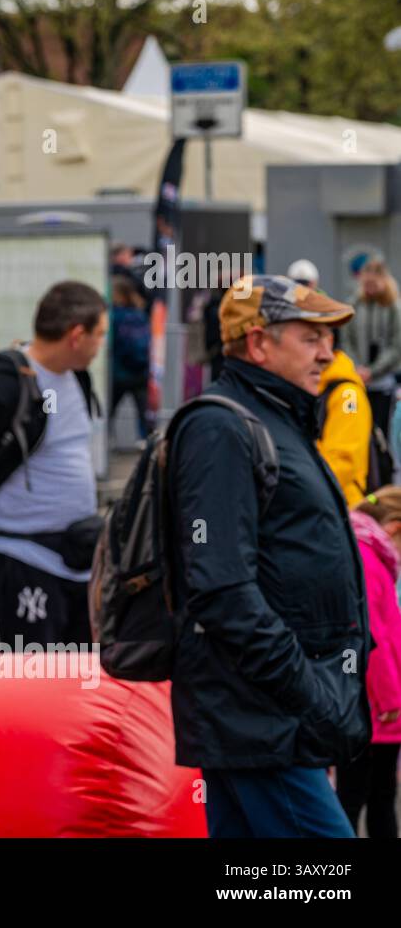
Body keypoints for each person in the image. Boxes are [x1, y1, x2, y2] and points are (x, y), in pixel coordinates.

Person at [169, 274, 369, 838]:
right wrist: (307, 690)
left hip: (271, 718)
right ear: (258, 343)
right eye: (311, 338)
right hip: (264, 719)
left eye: (330, 340)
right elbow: (220, 587)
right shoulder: (221, 427)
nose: (329, 354)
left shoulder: (279, 417)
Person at [0, 281, 107, 646]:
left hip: (75, 555)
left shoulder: (77, 377)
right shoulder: (6, 384)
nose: (101, 345)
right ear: (76, 335)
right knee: (33, 676)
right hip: (20, 555)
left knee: (78, 676)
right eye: (99, 335)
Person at [336, 489, 401, 838]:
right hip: (377, 712)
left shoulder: (360, 555)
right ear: (392, 529)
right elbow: (374, 640)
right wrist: (391, 699)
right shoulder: (371, 562)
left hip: (366, 707)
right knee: (373, 798)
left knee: (359, 796)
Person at [341, 256, 401, 430]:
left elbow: (396, 346)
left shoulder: (393, 308)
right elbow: (347, 340)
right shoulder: (354, 305)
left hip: (383, 381)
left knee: (381, 429)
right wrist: (358, 368)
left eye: (373, 285)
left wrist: (372, 371)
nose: (370, 290)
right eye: (366, 285)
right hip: (357, 378)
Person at [317, 330, 373, 507]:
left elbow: (343, 461)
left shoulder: (348, 394)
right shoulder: (317, 386)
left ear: (330, 341)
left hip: (343, 505)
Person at [109, 274, 151, 440]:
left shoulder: (114, 316)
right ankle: (145, 444)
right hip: (140, 372)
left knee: (108, 413)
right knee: (143, 414)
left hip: (119, 372)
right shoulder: (140, 314)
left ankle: (105, 442)